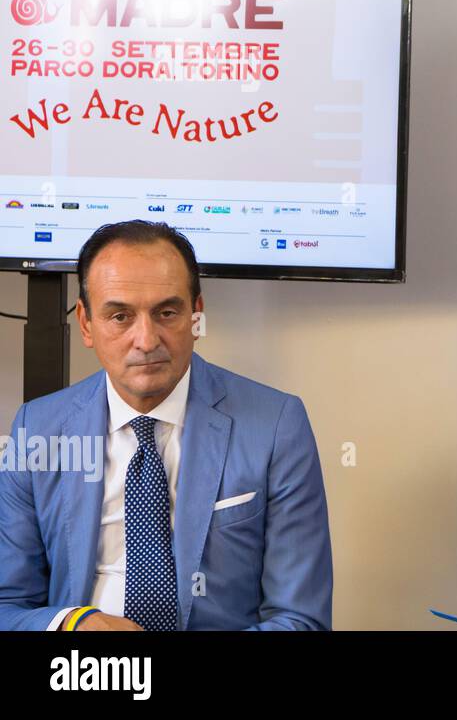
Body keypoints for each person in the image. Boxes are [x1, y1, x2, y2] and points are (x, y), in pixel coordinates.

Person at [0, 220, 332, 630]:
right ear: (86, 323)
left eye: (167, 312)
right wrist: (72, 624)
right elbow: (8, 604)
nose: (146, 339)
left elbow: (300, 619)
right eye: (120, 316)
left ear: (197, 313)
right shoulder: (38, 427)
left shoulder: (277, 425)